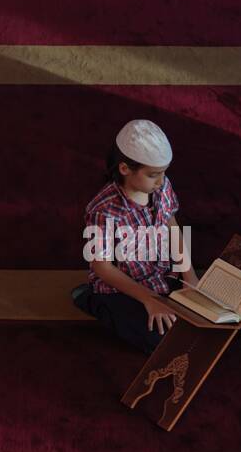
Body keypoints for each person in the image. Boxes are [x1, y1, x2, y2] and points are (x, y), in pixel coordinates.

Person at [72, 119, 197, 354]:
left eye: (163, 174)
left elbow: (172, 225)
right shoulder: (102, 209)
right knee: (161, 342)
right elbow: (101, 266)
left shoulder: (161, 187)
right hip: (123, 287)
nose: (161, 181)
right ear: (125, 169)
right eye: (153, 175)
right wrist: (149, 299)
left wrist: (190, 277)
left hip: (160, 275)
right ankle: (89, 299)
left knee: (196, 325)